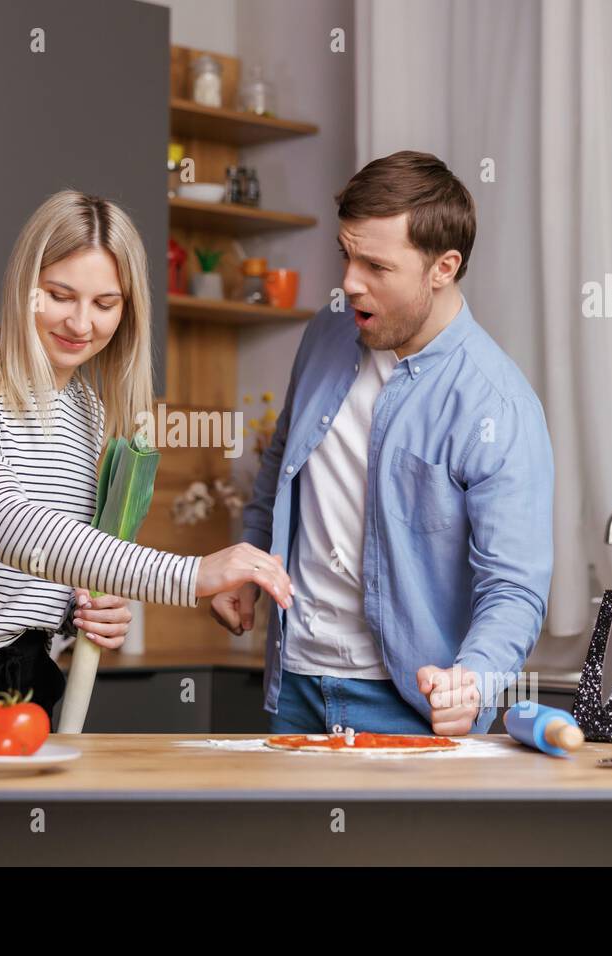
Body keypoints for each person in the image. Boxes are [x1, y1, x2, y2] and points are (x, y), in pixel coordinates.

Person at [0, 190, 293, 728]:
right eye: (60, 295)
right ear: (26, 288)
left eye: (105, 304)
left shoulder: (88, 412)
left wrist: (79, 610)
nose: (81, 324)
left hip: (14, 686)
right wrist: (194, 574)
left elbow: (46, 567)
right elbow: (10, 527)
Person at [211, 151, 553, 736]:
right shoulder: (327, 332)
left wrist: (471, 680)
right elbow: (280, 468)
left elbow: (514, 586)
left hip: (409, 706)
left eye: (376, 265)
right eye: (346, 256)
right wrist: (249, 562)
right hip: (293, 684)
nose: (349, 282)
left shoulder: (497, 404)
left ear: (443, 267)